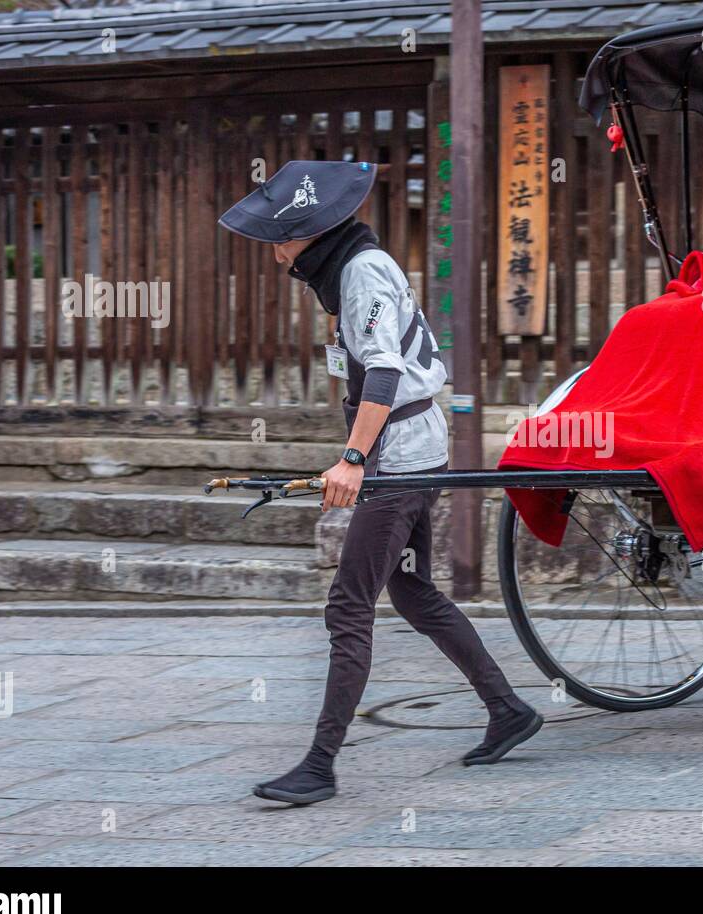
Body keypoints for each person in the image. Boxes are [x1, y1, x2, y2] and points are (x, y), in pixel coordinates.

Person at [218, 161, 542, 806]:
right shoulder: (349, 269)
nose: (277, 252)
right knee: (414, 590)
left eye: (281, 239)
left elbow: (386, 373)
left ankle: (319, 765)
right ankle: (507, 709)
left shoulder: (362, 271)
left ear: (310, 234)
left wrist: (355, 459)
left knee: (348, 604)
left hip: (398, 461)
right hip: (410, 449)